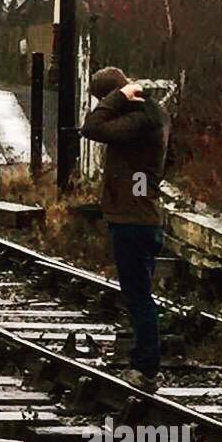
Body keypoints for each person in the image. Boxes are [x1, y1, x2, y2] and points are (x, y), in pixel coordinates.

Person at [80, 67, 171, 393]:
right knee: (138, 294)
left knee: (139, 296)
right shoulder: (150, 114)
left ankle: (145, 368)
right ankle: (142, 360)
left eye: (103, 98)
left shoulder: (139, 120)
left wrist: (116, 97)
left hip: (135, 220)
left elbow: (91, 128)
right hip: (140, 217)